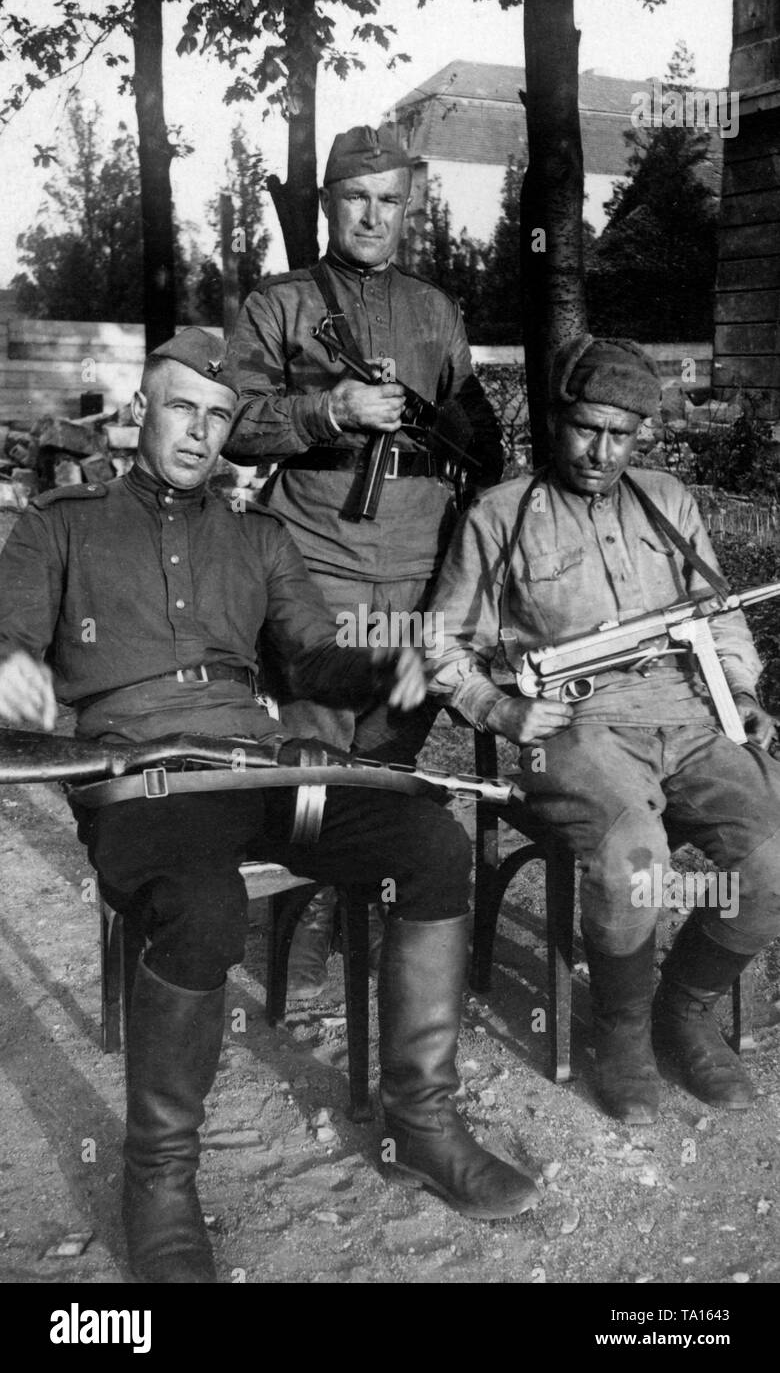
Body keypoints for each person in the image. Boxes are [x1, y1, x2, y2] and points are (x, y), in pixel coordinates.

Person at [0, 329, 538, 1285]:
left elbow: (316, 658)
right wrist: (20, 689)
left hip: (257, 767)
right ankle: (159, 1178)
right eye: (180, 408)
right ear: (139, 413)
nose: (200, 433)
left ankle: (422, 1123)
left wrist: (406, 663)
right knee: (202, 907)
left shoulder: (258, 534)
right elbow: (10, 650)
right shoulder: (59, 523)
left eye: (217, 417)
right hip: (143, 779)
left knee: (428, 843)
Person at [426, 334, 780, 1127]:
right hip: (576, 728)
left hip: (688, 717)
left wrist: (743, 692)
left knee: (774, 850)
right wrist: (500, 710)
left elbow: (716, 618)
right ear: (557, 421)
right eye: (587, 429)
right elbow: (439, 644)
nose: (601, 451)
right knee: (632, 857)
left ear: (642, 435)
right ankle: (617, 1029)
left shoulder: (670, 500)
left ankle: (682, 1011)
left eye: (621, 435)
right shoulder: (501, 514)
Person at [223, 124, 504, 997]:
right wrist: (327, 410)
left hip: (419, 567)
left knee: (396, 745)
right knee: (313, 746)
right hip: (315, 561)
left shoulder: (437, 311)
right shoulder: (279, 304)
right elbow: (231, 425)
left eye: (390, 200)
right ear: (328, 204)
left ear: (407, 207)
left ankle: (382, 896)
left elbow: (473, 435)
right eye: (356, 198)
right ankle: (301, 913)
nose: (373, 216)